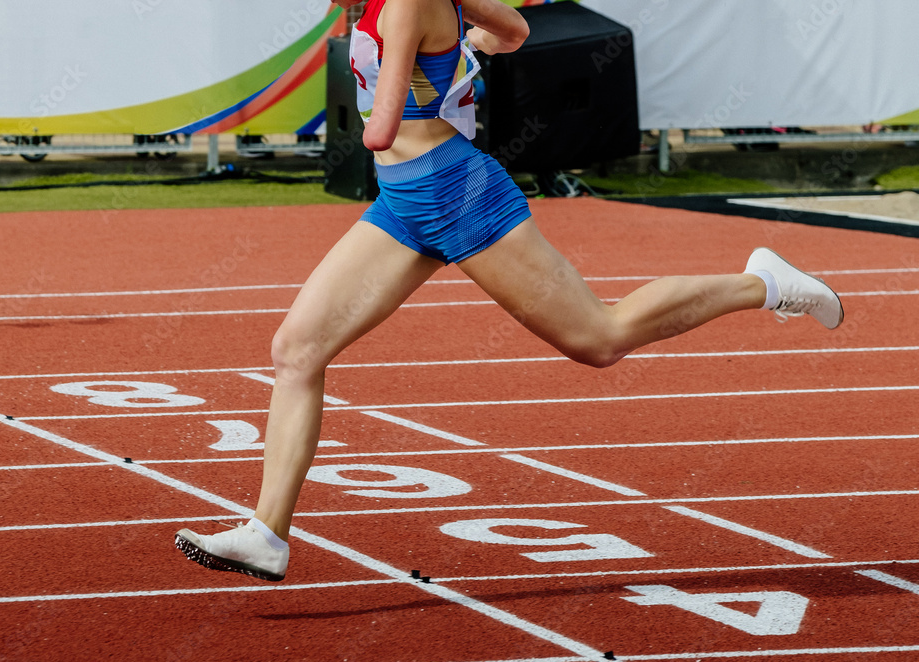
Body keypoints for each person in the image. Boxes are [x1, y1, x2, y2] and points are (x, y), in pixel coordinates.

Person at [175, 0, 844, 581]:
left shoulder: (405, 3)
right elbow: (517, 30)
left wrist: (418, 65)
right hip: (404, 201)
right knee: (296, 349)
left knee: (599, 338)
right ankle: (268, 533)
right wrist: (461, 38)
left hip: (455, 190)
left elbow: (378, 130)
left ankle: (764, 283)